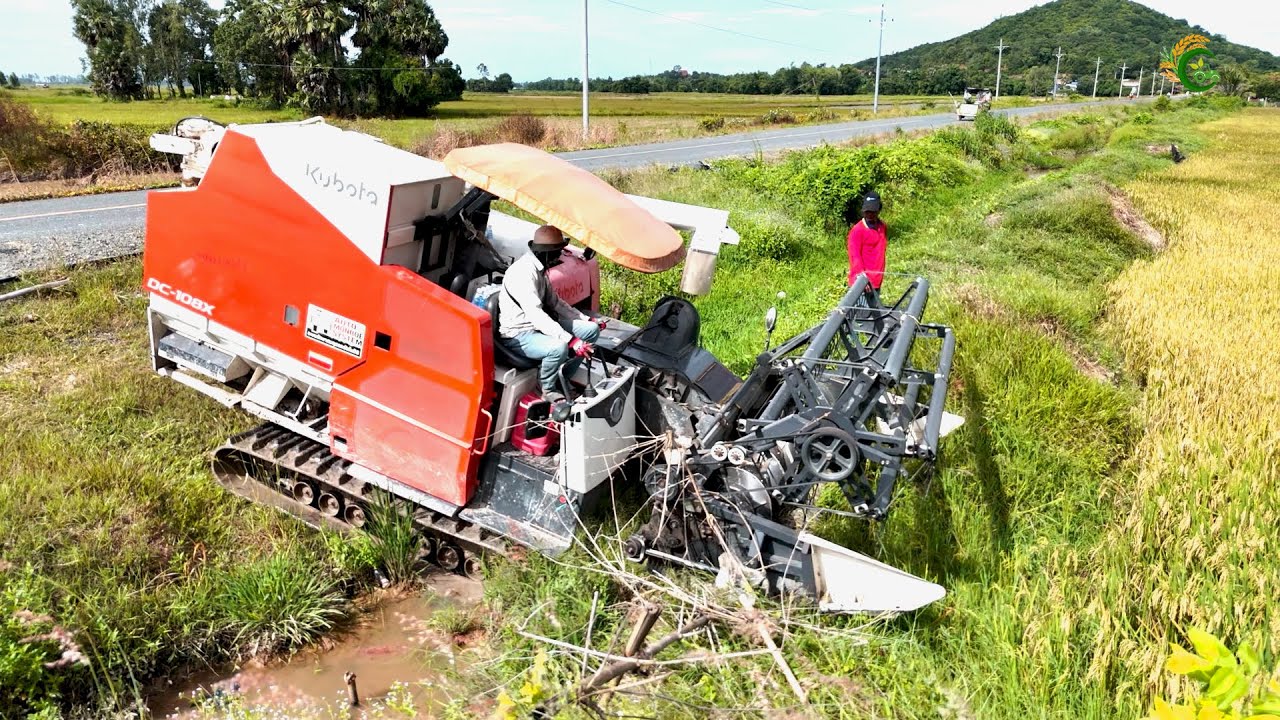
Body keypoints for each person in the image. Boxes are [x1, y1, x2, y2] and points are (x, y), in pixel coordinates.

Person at [498, 225, 606, 403]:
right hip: (519, 334)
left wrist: (586, 319)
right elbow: (536, 315)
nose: (560, 256)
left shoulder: (540, 271)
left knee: (590, 331)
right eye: (558, 252)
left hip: (538, 328)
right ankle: (547, 388)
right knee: (559, 347)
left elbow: (556, 303)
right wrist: (571, 340)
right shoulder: (523, 273)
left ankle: (563, 377)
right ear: (548, 253)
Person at [845, 191, 887, 306]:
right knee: (862, 315)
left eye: (873, 211)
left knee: (874, 313)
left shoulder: (882, 226)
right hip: (862, 285)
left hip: (877, 281)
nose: (870, 214)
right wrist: (862, 280)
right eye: (867, 211)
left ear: (879, 210)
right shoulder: (857, 231)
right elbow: (855, 257)